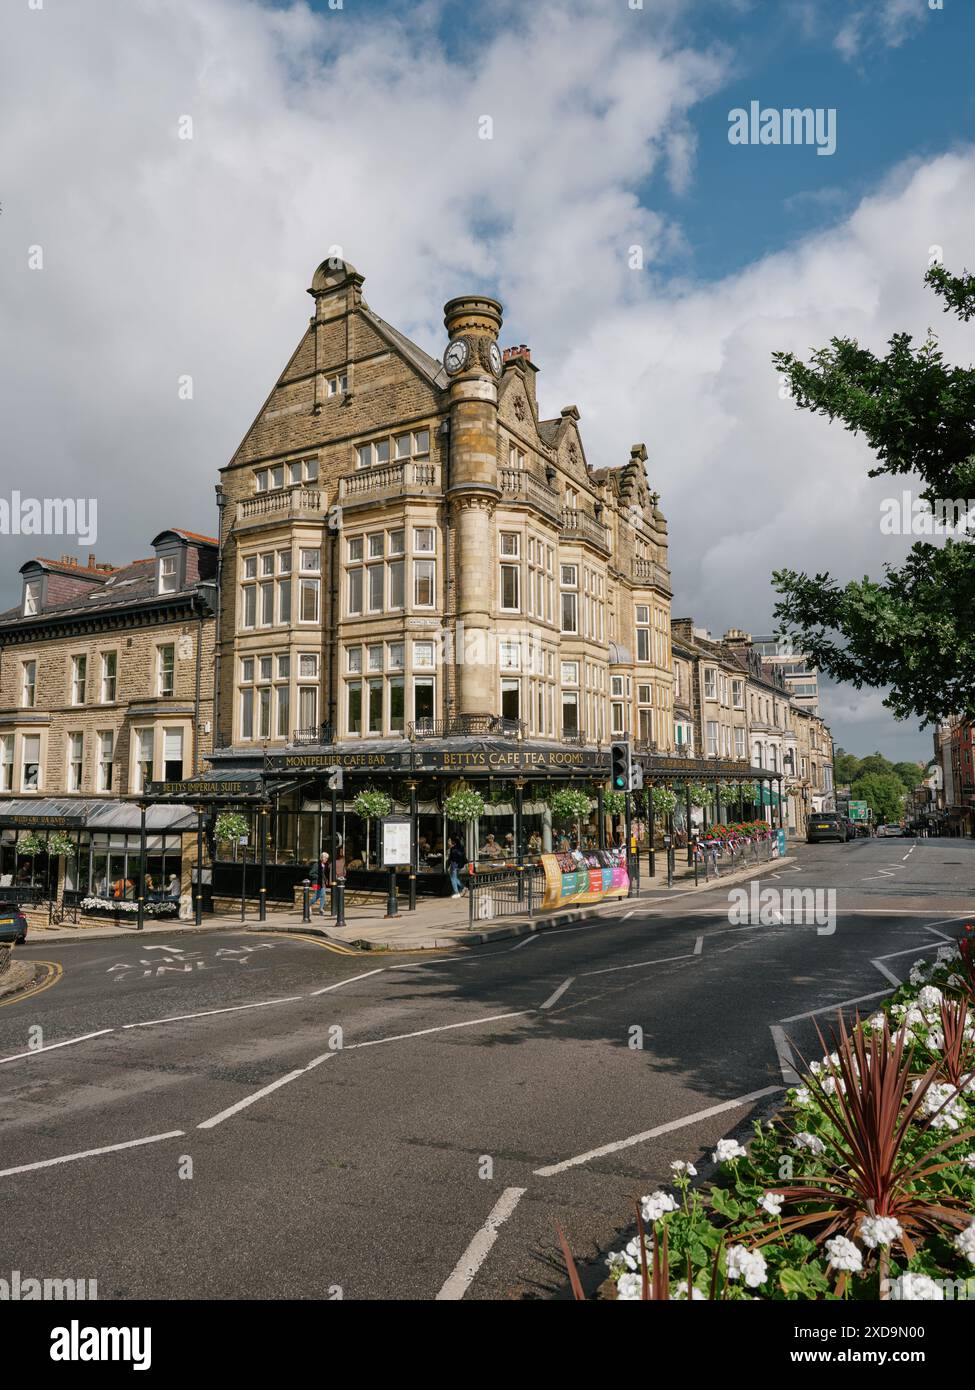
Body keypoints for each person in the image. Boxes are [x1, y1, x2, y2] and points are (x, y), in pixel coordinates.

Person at [310, 851, 331, 915]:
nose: (327, 860)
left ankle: (321, 909)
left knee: (323, 895)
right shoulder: (316, 865)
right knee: (317, 895)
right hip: (316, 883)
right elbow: (311, 873)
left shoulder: (324, 865)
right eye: (326, 858)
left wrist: (326, 880)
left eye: (327, 858)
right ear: (322, 858)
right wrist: (318, 876)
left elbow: (323, 874)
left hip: (322, 883)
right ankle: (308, 905)